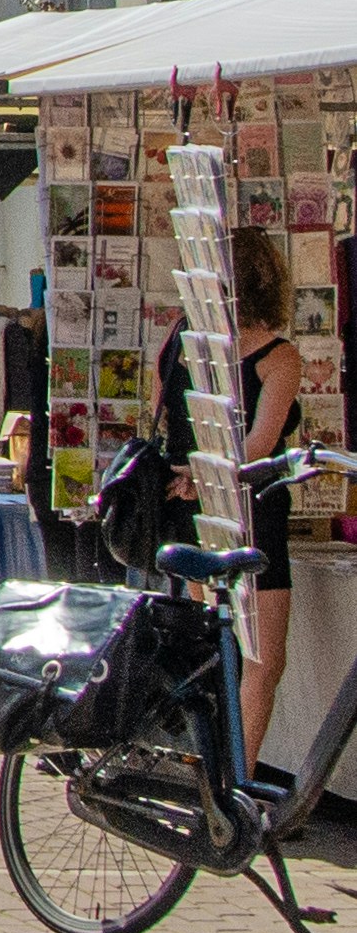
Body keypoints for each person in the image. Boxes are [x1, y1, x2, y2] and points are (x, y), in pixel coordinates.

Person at [165, 228, 305, 758]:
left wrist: (191, 473)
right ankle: (235, 782)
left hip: (192, 510)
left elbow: (168, 420)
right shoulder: (277, 356)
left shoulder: (183, 343)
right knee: (262, 661)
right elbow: (259, 448)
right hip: (254, 518)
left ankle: (204, 768)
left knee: (215, 649)